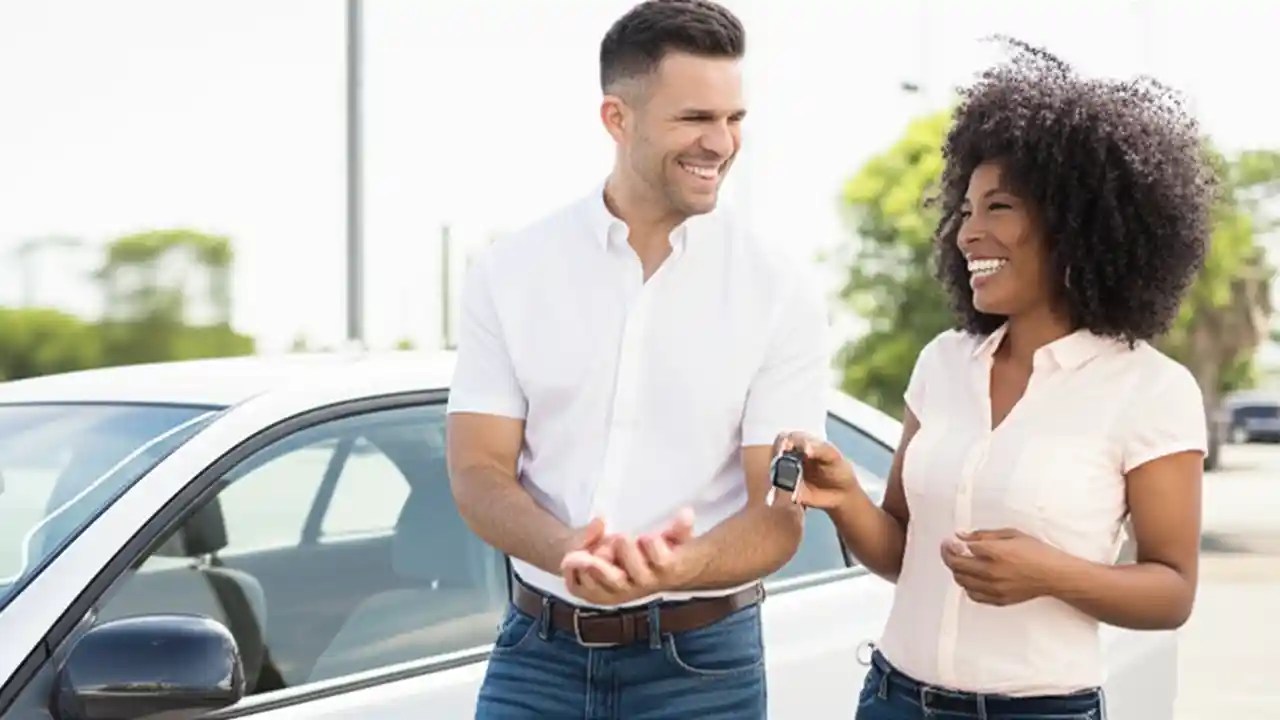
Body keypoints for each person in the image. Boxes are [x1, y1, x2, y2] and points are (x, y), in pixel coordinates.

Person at [775, 39, 1215, 720]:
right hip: (894, 700)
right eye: (966, 210)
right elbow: (902, 553)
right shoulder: (943, 363)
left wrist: (1050, 573)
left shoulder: (1150, 390)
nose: (965, 233)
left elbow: (1172, 590)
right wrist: (843, 500)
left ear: (1075, 222)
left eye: (998, 208)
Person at [445, 1, 829, 717]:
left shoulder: (780, 291)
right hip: (538, 656)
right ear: (617, 119)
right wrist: (568, 551)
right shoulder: (510, 271)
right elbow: (476, 470)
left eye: (734, 119)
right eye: (694, 119)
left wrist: (676, 568)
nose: (720, 143)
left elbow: (778, 514)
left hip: (704, 670)